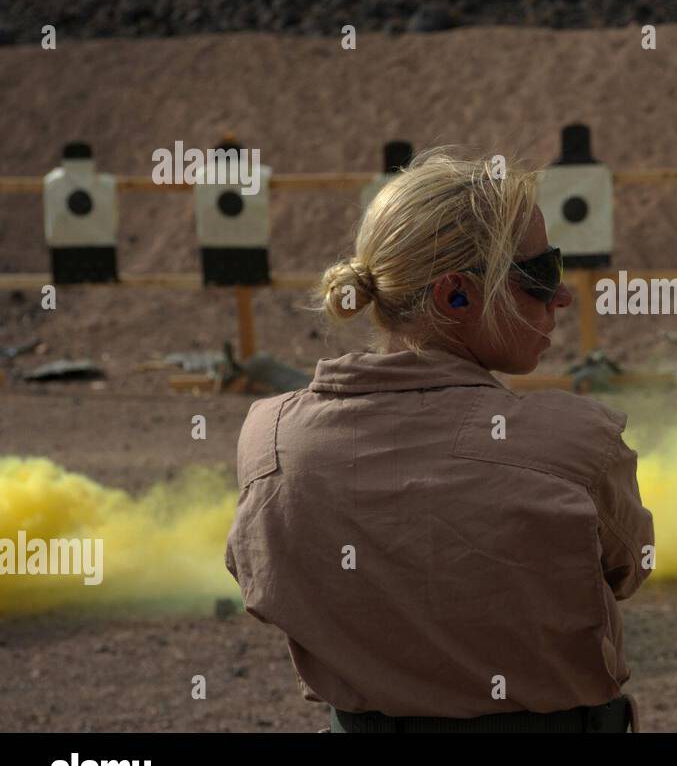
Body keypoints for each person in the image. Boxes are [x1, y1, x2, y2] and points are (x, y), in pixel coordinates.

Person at [224, 147, 655, 733]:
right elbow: (629, 569)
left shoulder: (268, 441)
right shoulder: (577, 445)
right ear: (457, 295)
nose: (561, 296)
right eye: (540, 274)